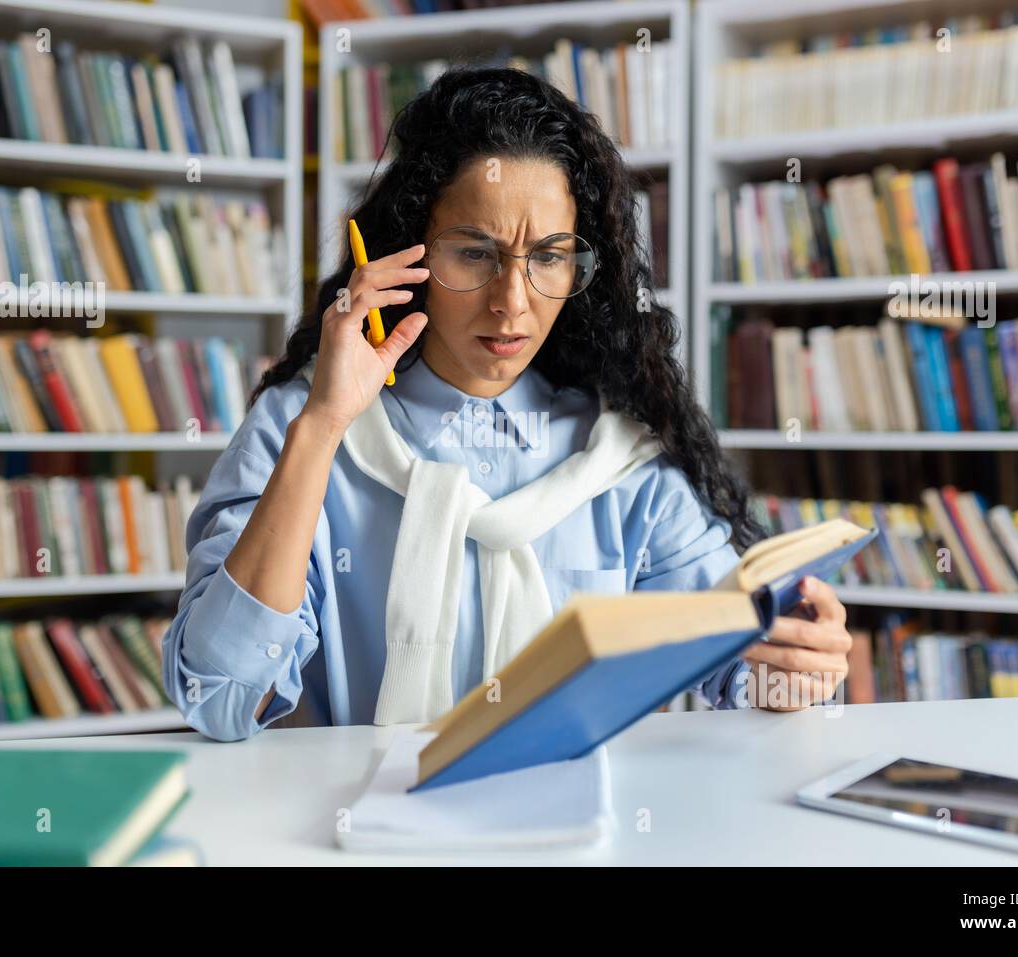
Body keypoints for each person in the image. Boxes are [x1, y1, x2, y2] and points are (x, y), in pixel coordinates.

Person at [162, 68, 852, 741]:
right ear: (410, 252)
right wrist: (323, 426)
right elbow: (219, 696)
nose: (512, 303)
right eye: (475, 253)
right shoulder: (299, 424)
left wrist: (795, 664)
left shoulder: (618, 458)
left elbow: (737, 662)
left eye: (548, 258)